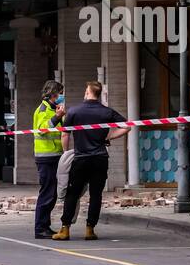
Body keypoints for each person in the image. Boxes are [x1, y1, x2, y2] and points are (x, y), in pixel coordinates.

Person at [54, 80, 129, 241]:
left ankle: (65, 229)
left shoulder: (74, 111)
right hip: (100, 158)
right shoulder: (106, 112)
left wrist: (66, 152)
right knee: (96, 195)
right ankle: (90, 229)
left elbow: (65, 134)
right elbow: (127, 126)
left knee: (72, 194)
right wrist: (109, 136)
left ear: (88, 92)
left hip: (81, 159)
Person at [32, 81, 65, 239]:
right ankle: (40, 228)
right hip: (46, 157)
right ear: (53, 94)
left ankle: (45, 226)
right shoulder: (44, 109)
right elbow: (41, 131)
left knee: (51, 194)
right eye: (60, 93)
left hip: (55, 155)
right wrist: (57, 117)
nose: (61, 96)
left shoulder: (53, 109)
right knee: (47, 193)